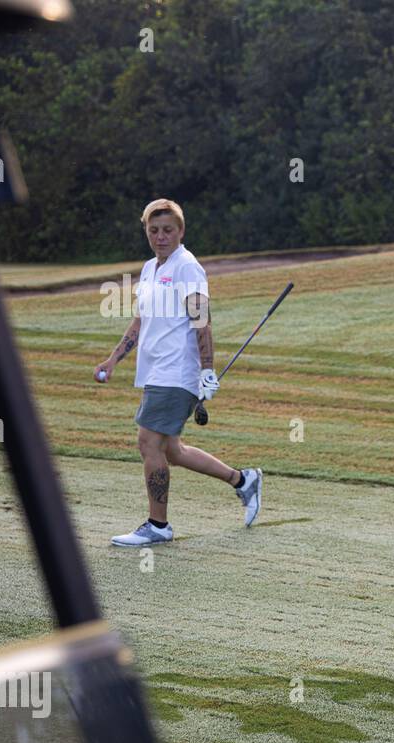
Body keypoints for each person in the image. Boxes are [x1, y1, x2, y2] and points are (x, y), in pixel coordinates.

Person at [94, 198, 262, 546]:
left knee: (148, 441)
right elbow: (141, 321)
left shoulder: (187, 266)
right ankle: (243, 480)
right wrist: (113, 360)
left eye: (167, 230)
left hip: (177, 371)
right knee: (171, 450)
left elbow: (201, 318)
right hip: (155, 370)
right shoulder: (149, 268)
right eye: (153, 231)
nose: (160, 237)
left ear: (180, 231)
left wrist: (206, 369)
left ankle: (158, 525)